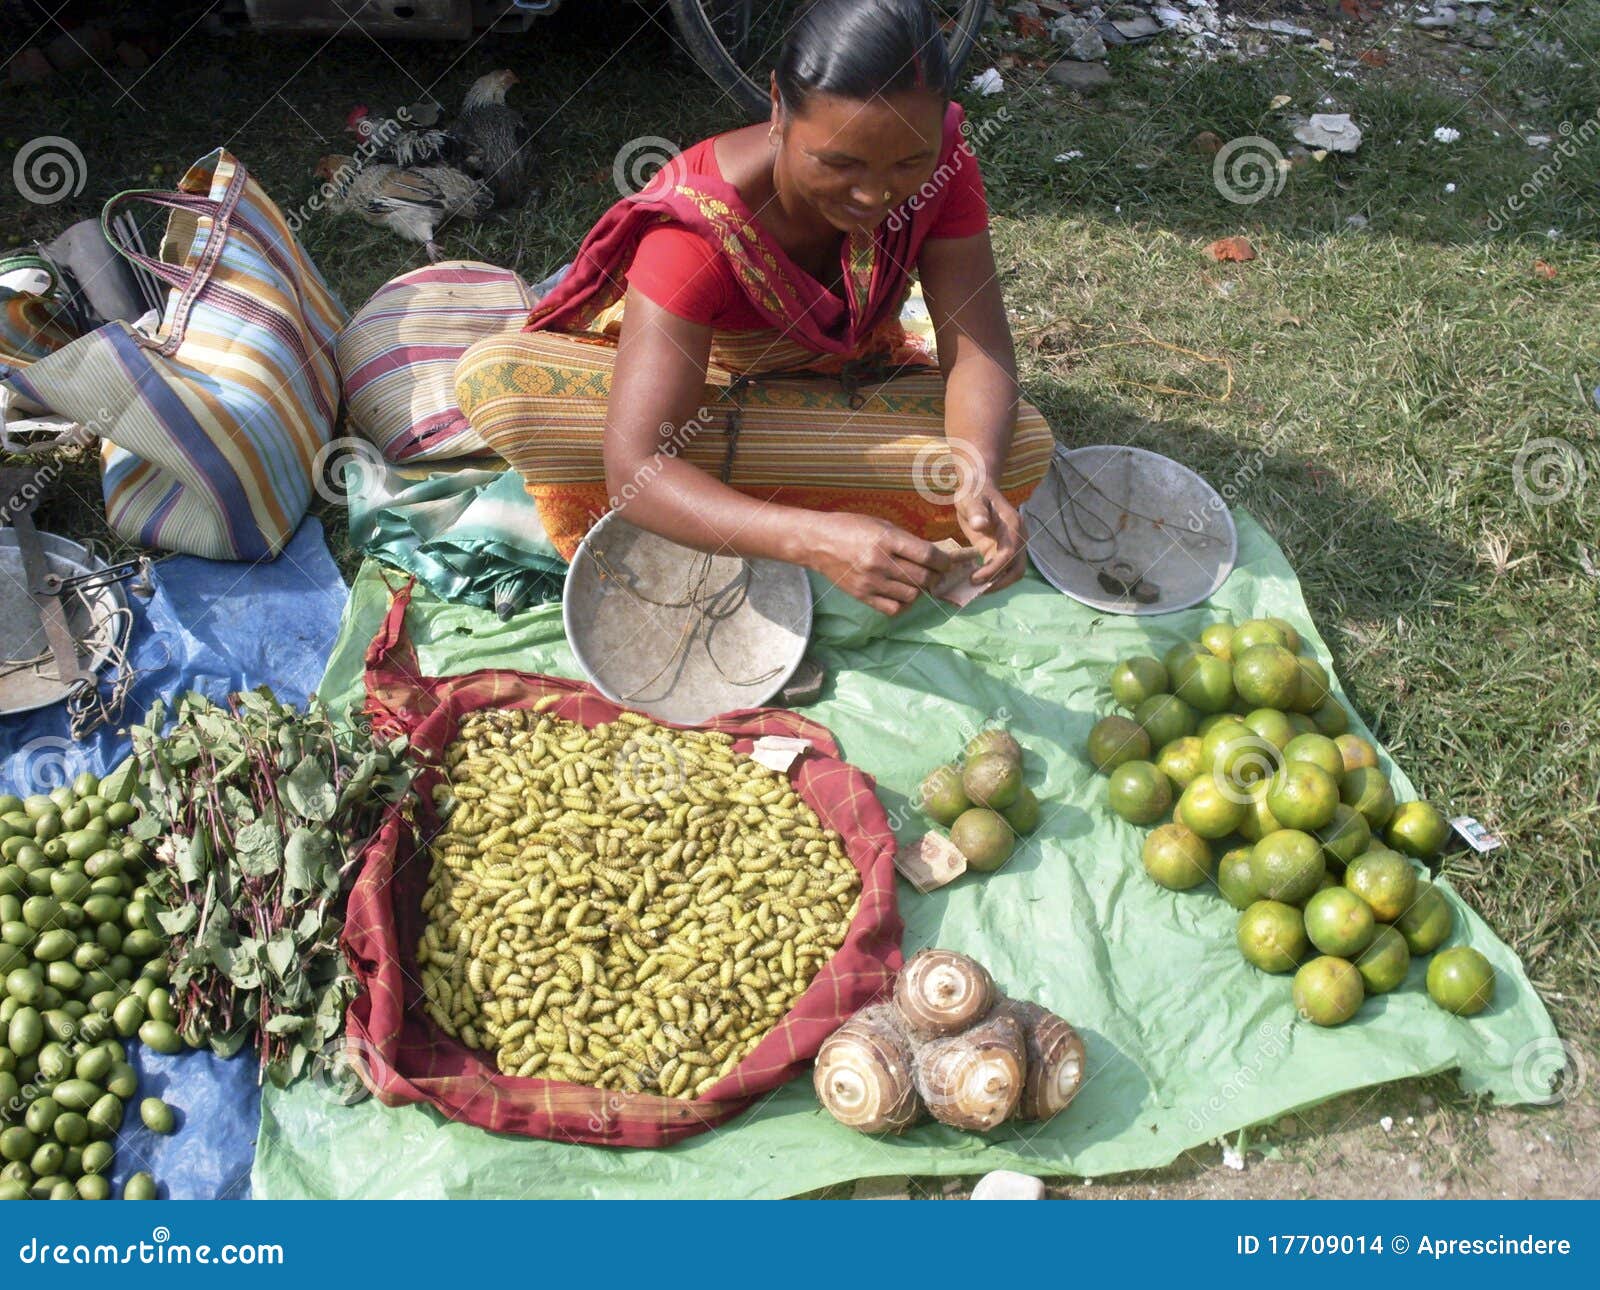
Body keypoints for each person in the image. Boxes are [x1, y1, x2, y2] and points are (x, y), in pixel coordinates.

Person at [455, 0, 1055, 616]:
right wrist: (815, 540)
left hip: (842, 379)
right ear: (778, 107)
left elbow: (977, 349)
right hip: (709, 392)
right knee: (501, 384)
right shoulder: (696, 231)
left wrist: (975, 473)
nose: (876, 194)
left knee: (1022, 446)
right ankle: (816, 507)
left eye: (908, 163)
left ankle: (758, 504)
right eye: (841, 163)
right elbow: (637, 470)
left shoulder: (946, 157)